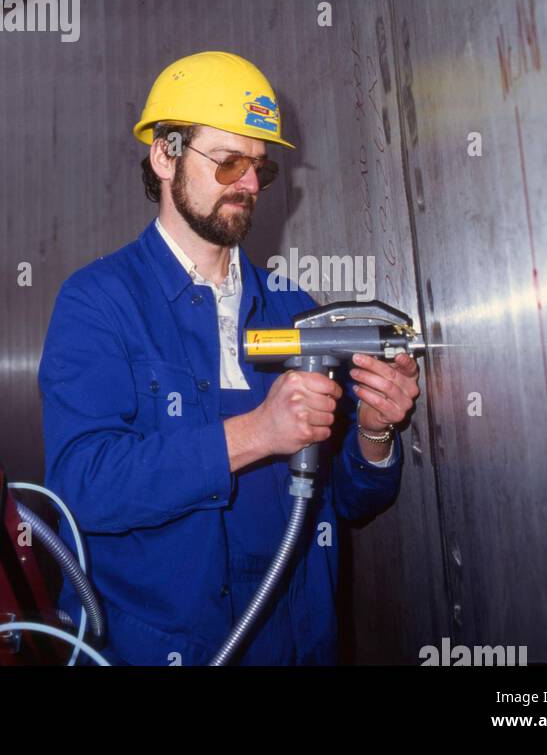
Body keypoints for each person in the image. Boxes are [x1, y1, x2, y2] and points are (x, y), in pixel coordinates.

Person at [38, 51, 421, 665]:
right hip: (160, 651)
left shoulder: (295, 311)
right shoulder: (99, 301)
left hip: (294, 644)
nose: (249, 183)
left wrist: (376, 432)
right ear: (166, 156)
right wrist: (257, 433)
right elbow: (82, 486)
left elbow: (346, 501)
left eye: (260, 169)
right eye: (229, 162)